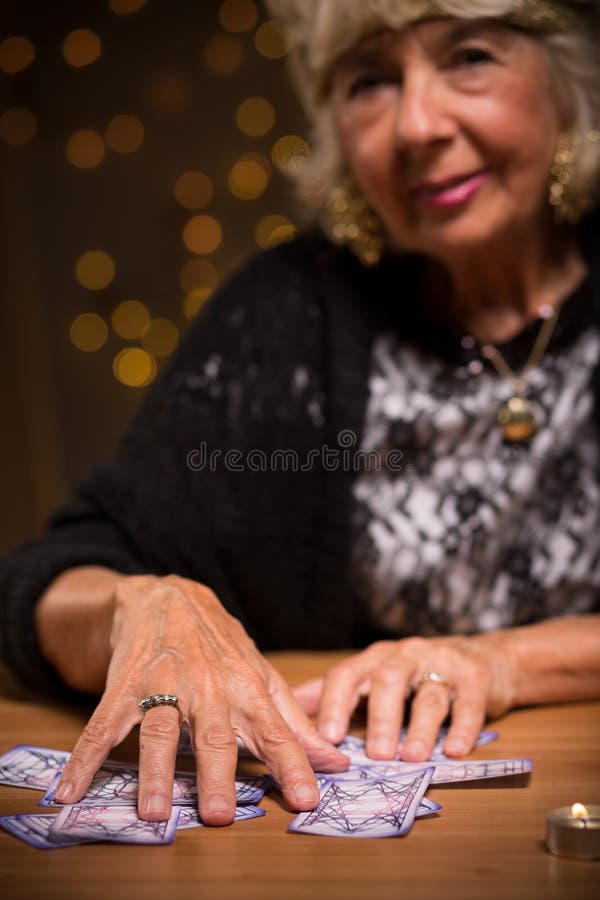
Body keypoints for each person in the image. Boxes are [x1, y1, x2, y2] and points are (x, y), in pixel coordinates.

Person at [1, 0, 600, 828]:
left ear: (567, 79)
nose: (417, 124)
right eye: (370, 81)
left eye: (469, 57)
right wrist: (139, 605)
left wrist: (503, 664)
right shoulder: (281, 312)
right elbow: (50, 578)